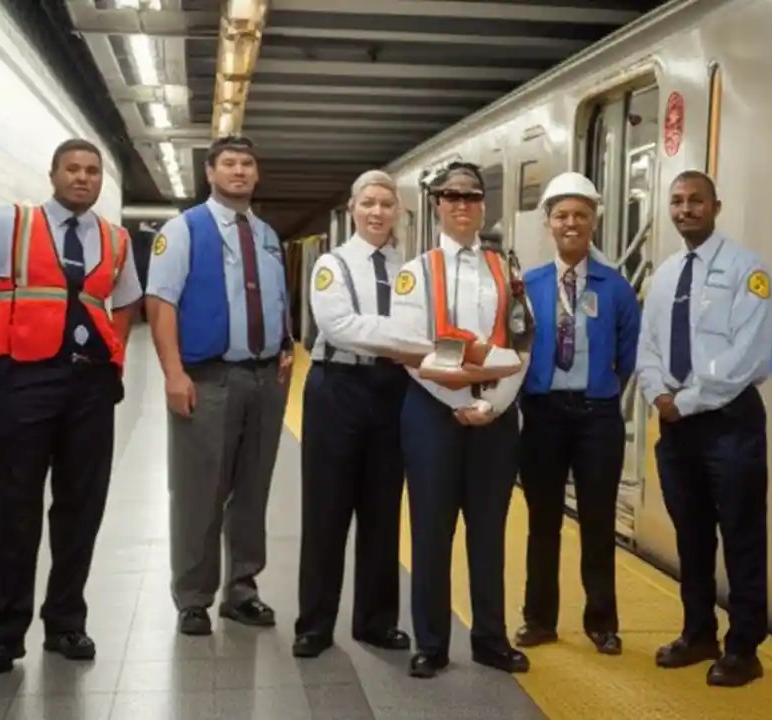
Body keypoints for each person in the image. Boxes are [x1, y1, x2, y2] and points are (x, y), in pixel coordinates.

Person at [0, 138, 142, 673]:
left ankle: (66, 622)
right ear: (53, 174)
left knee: (81, 506)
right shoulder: (9, 224)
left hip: (90, 386)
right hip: (25, 379)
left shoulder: (116, 238)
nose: (83, 178)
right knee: (14, 507)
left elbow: (127, 300)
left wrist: (116, 350)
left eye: (92, 171)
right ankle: (4, 632)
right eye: (73, 169)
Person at [145, 134, 294, 636]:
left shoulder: (268, 234)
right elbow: (161, 303)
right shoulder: (183, 230)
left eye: (247, 163)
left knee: (252, 489)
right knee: (199, 490)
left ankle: (243, 590)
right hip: (207, 378)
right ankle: (193, 597)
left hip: (263, 379)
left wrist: (288, 343)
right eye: (228, 163)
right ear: (209, 173)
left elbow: (273, 298)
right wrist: (173, 374)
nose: (239, 171)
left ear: (256, 173)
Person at [389, 161, 531, 678]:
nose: (462, 204)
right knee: (431, 532)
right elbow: (412, 346)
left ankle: (490, 639)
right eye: (452, 197)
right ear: (438, 206)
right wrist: (459, 401)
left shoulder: (505, 270)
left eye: (471, 196)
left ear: (483, 205)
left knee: (489, 532)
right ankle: (431, 642)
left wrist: (493, 403)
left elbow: (522, 342)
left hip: (494, 414)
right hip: (432, 414)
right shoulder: (417, 271)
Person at [634, 170, 772, 687]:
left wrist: (686, 400)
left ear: (716, 205)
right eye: (676, 201)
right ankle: (698, 634)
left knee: (740, 534)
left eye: (696, 200)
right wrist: (658, 394)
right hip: (676, 427)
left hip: (728, 423)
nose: (685, 209)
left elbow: (749, 355)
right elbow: (647, 346)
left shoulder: (746, 269)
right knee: (691, 535)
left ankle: (744, 647)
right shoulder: (665, 274)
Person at [514, 172, 640, 656]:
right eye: (562, 215)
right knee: (542, 522)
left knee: (597, 521)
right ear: (549, 223)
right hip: (543, 416)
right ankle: (539, 619)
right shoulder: (530, 285)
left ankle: (602, 623)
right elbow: (517, 342)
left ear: (593, 223)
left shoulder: (616, 288)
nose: (572, 223)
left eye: (581, 215)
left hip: (597, 419)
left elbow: (629, 355)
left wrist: (603, 391)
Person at [293, 170, 413, 658]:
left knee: (383, 511)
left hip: (392, 390)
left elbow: (412, 322)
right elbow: (339, 327)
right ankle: (315, 625)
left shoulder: (409, 268)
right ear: (353, 208)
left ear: (397, 211)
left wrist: (400, 340)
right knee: (326, 510)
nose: (378, 212)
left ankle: (376, 622)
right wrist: (408, 340)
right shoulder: (332, 264)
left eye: (386, 204)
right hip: (337, 387)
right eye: (369, 203)